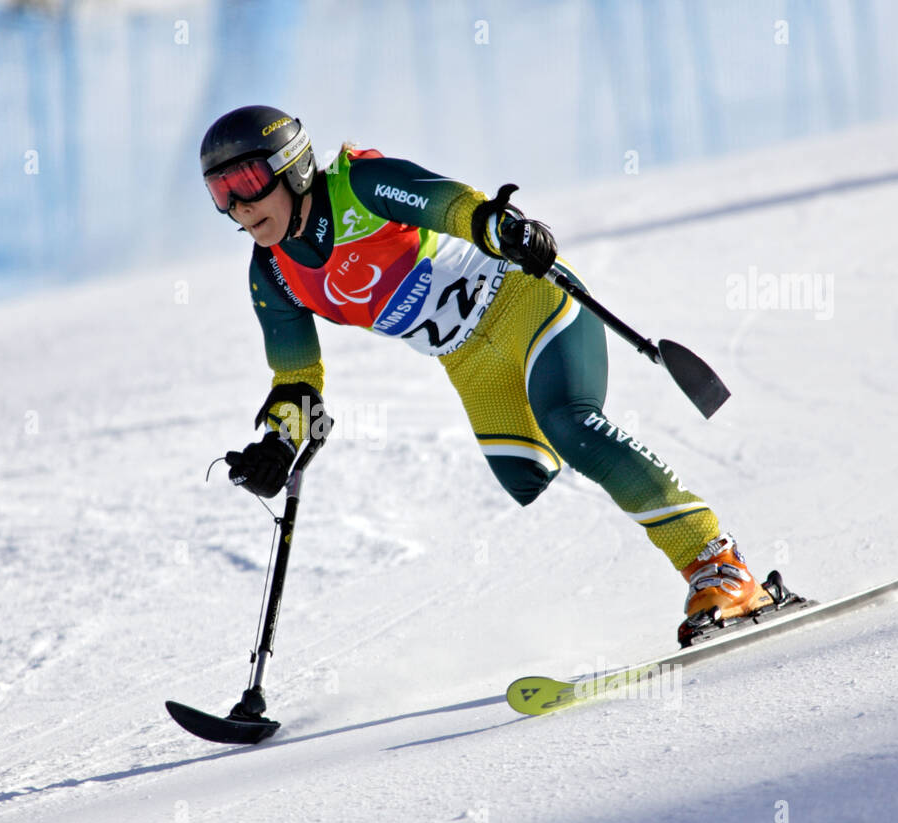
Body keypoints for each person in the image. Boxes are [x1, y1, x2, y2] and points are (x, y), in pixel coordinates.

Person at [201, 104, 778, 644]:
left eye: (246, 182)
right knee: (525, 476)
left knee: (571, 425)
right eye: (220, 194)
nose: (239, 207)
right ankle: (620, 503)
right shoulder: (272, 275)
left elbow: (450, 204)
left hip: (527, 299)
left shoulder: (357, 186)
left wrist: (499, 225)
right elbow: (298, 375)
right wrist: (280, 442)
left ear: (293, 166)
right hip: (470, 361)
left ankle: (719, 565)